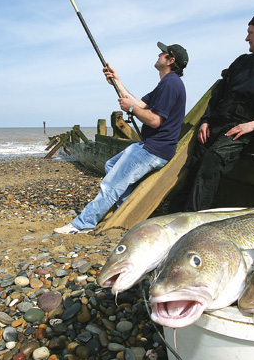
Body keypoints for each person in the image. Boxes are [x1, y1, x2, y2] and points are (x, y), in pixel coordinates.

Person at [55, 41, 189, 234]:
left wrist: (131, 109)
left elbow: (154, 120)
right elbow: (139, 104)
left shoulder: (171, 84)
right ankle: (128, 211)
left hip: (153, 150)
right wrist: (116, 81)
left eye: (162, 53)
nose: (158, 55)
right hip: (151, 146)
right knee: (111, 166)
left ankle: (82, 224)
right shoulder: (166, 83)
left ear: (171, 59)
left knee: (111, 184)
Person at [182, 9, 254, 212]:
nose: (247, 38)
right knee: (193, 163)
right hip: (215, 124)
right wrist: (205, 119)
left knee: (212, 162)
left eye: (251, 32)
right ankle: (171, 221)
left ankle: (192, 224)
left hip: (240, 131)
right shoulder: (241, 62)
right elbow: (219, 94)